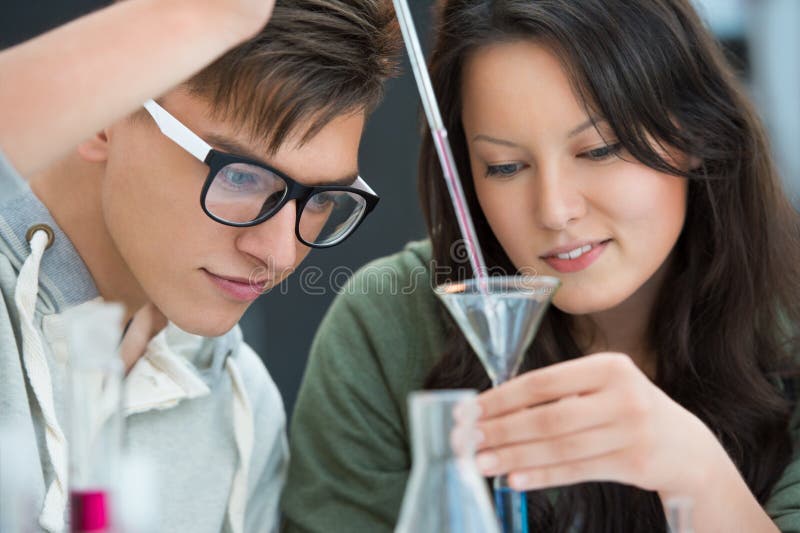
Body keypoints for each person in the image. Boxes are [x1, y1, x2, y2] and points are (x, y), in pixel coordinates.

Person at [281, 0, 800, 531]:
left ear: (695, 133)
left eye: (598, 150)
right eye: (505, 166)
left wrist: (699, 477)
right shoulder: (389, 325)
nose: (553, 210)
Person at [0, 1, 399, 532]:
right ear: (105, 114)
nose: (278, 255)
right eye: (241, 177)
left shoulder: (243, 408)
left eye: (323, 199)